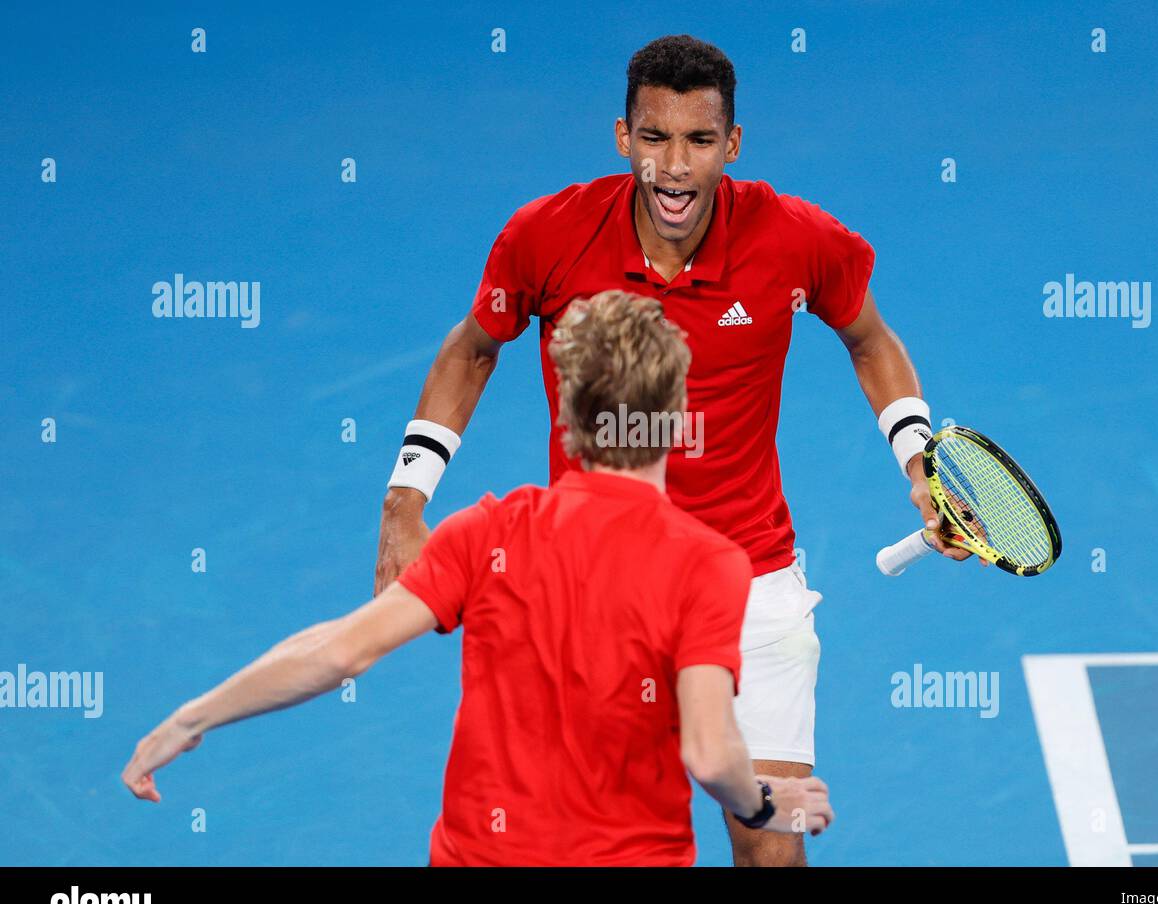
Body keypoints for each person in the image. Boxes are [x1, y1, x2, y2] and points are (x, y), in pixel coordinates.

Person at [373, 35, 979, 867]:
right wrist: (405, 498)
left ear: (733, 145)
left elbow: (869, 339)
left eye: (699, 141)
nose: (674, 167)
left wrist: (922, 467)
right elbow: (473, 349)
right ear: (623, 137)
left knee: (769, 838)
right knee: (584, 840)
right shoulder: (546, 236)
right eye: (654, 138)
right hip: (595, 584)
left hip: (748, 576)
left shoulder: (797, 240)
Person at [123, 289, 834, 866]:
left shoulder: (486, 531)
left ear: (568, 417)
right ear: (678, 417)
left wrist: (192, 716)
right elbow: (710, 753)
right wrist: (770, 802)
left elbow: (341, 650)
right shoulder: (707, 565)